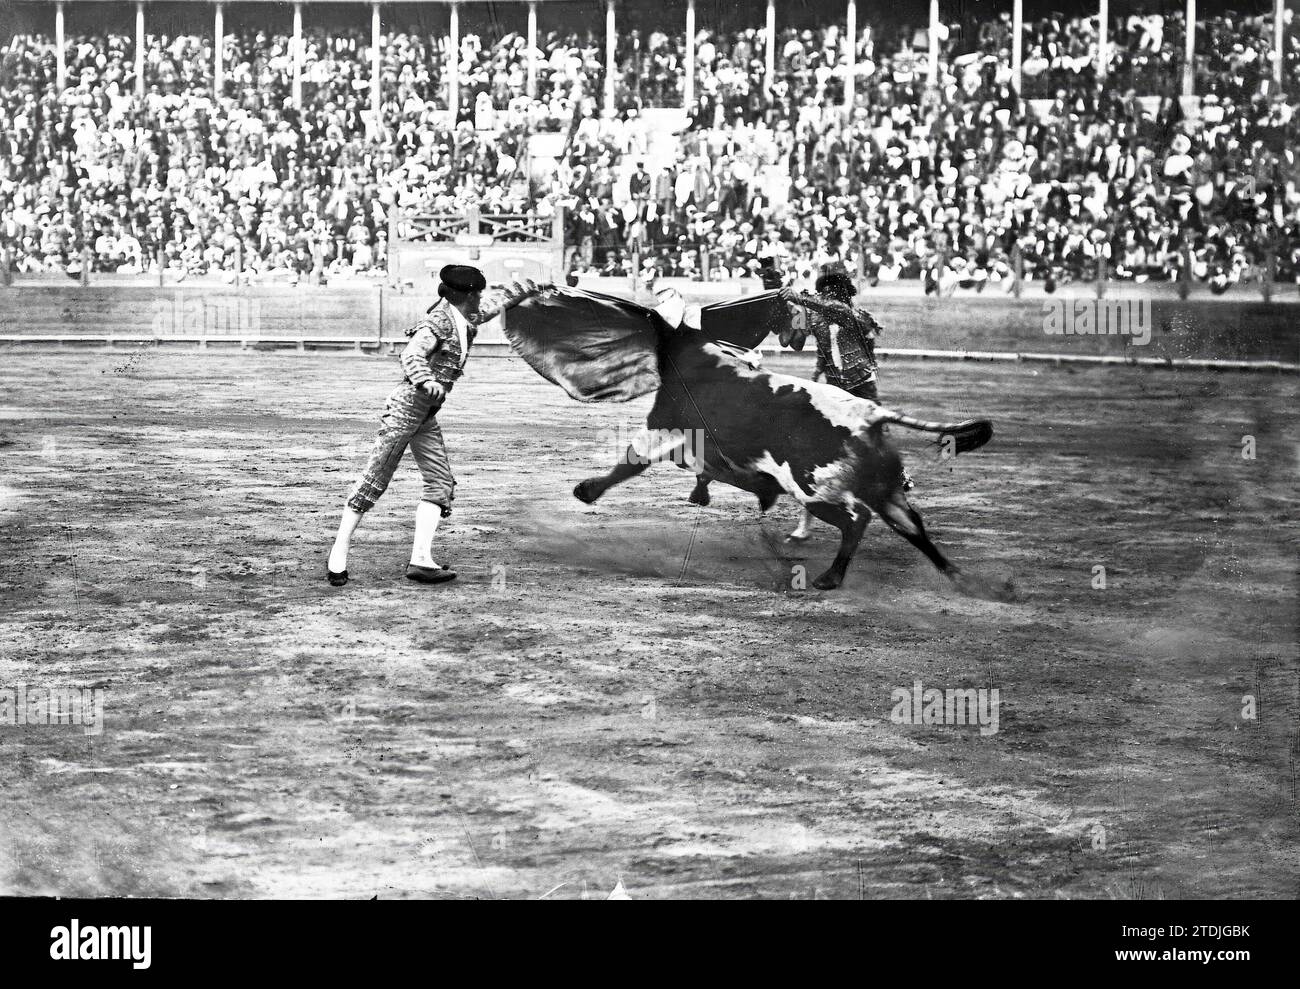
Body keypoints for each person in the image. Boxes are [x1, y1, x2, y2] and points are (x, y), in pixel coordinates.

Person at [326, 265, 533, 586]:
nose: (481, 298)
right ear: (466, 297)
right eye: (477, 294)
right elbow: (411, 355)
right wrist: (426, 380)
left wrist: (527, 290)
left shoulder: (467, 315)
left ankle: (421, 560)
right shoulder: (438, 322)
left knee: (440, 482)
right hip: (406, 409)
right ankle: (339, 551)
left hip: (426, 415)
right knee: (375, 479)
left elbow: (493, 306)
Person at [778, 266, 911, 542]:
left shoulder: (852, 315)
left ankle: (901, 498)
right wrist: (792, 313)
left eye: (829, 292)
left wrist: (800, 298)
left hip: (861, 386)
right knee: (819, 452)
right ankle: (805, 524)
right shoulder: (816, 313)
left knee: (877, 442)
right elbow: (804, 344)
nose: (826, 297)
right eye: (824, 292)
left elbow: (833, 311)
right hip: (835, 389)